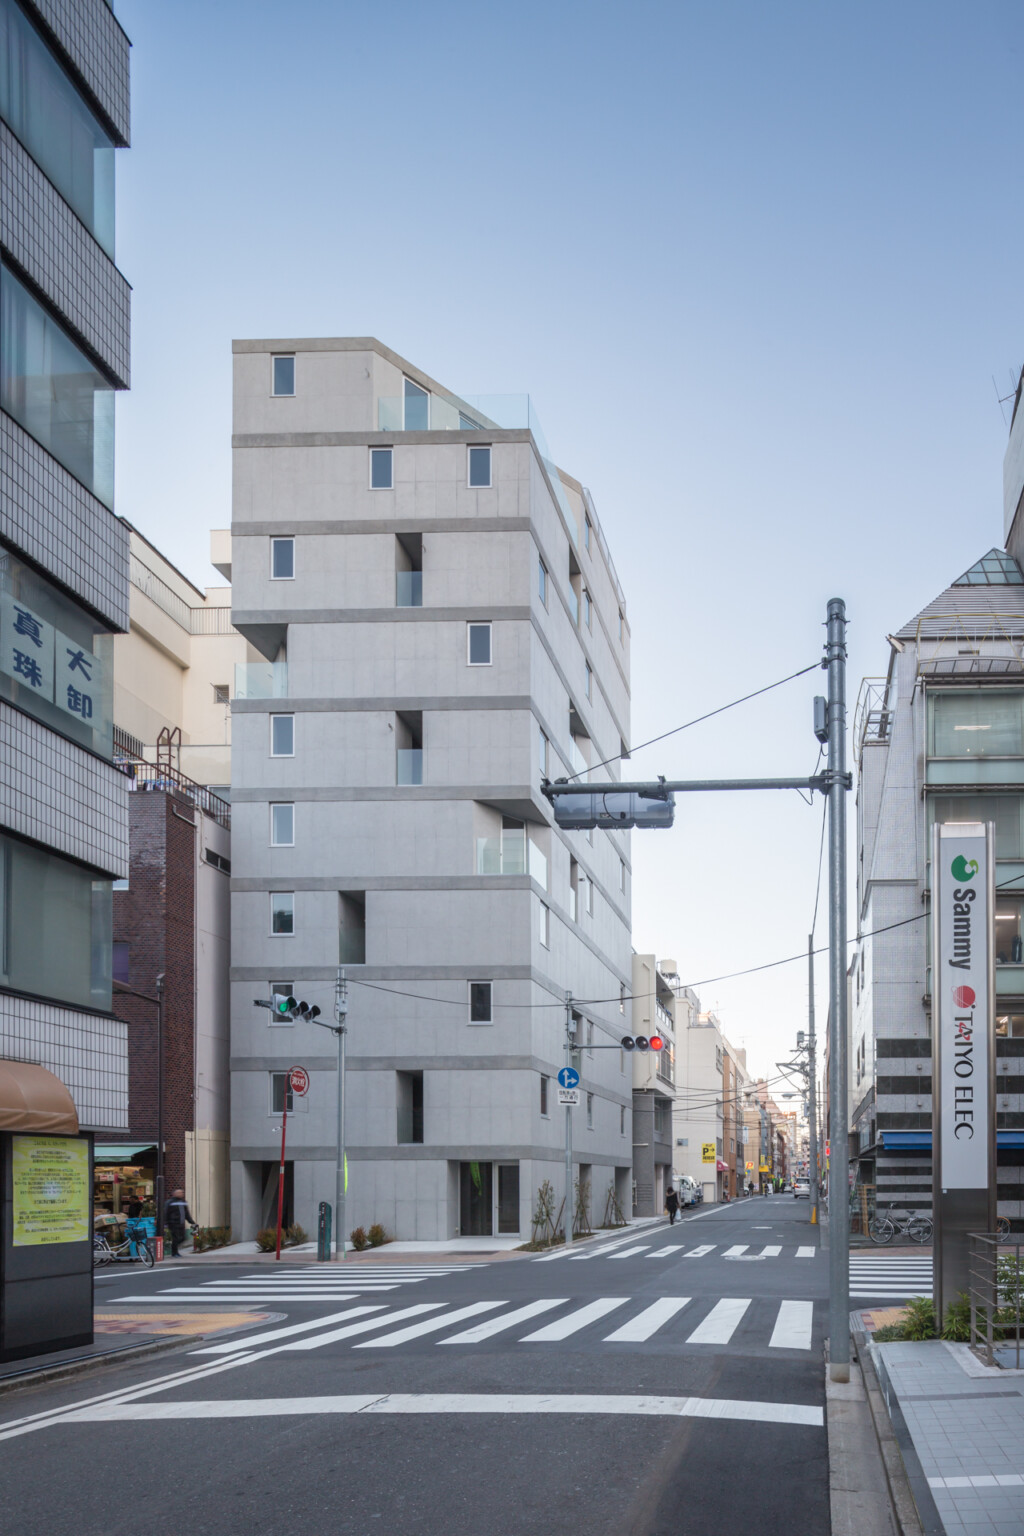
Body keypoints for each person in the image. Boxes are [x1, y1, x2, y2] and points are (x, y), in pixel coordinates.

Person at [164, 1188, 197, 1257]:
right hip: (173, 1223)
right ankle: (174, 1253)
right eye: (179, 1193)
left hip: (181, 1223)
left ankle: (174, 1248)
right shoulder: (170, 1202)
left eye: (182, 1193)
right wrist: (165, 1223)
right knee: (175, 1238)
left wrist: (192, 1222)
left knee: (183, 1238)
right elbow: (165, 1212)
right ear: (174, 1194)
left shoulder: (183, 1202)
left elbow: (187, 1213)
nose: (181, 1194)